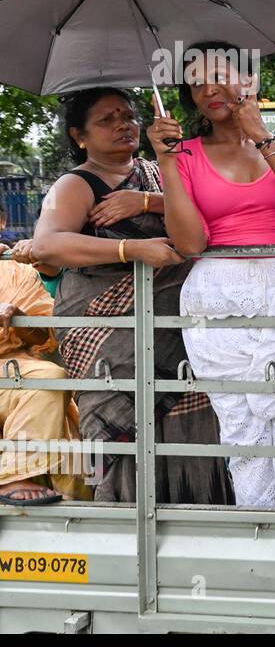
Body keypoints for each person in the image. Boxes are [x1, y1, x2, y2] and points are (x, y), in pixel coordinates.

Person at [33, 88, 233, 505]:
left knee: (192, 425)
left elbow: (207, 207)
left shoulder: (158, 170)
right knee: (123, 434)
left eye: (127, 115)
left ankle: (203, 524)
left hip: (175, 328)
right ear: (79, 135)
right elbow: (47, 245)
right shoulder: (74, 184)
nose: (123, 125)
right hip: (109, 332)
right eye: (107, 120)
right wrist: (132, 249)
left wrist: (146, 201)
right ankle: (125, 525)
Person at [146, 43, 275, 509]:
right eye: (197, 81)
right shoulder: (182, 153)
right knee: (243, 429)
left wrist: (263, 138)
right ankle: (259, 547)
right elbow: (189, 245)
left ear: (250, 81)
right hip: (217, 294)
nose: (210, 88)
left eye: (221, 74)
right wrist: (166, 160)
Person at [0, 260, 90, 505]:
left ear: (3, 223)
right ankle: (15, 476)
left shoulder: (20, 273)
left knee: (51, 379)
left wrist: (19, 318)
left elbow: (45, 338)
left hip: (15, 367)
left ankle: (80, 496)